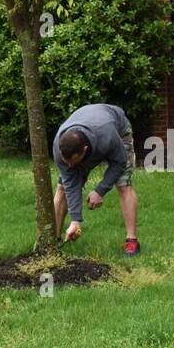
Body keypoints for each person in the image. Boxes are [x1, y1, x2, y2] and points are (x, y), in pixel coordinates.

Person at [52, 103, 140, 256]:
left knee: (123, 184)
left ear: (84, 150)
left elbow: (119, 163)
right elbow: (71, 184)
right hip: (90, 125)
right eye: (67, 162)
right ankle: (54, 239)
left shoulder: (107, 136)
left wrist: (100, 191)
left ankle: (131, 241)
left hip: (117, 129)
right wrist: (75, 220)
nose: (69, 166)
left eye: (73, 161)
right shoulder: (59, 148)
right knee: (63, 187)